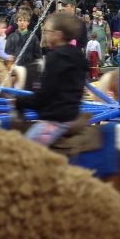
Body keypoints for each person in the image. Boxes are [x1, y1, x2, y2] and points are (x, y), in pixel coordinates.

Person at [19, 12, 88, 146]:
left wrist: (20, 102)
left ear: (58, 35)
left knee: (23, 151)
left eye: (47, 31)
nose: (44, 35)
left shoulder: (56, 58)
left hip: (56, 120)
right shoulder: (77, 57)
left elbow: (45, 96)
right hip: (71, 114)